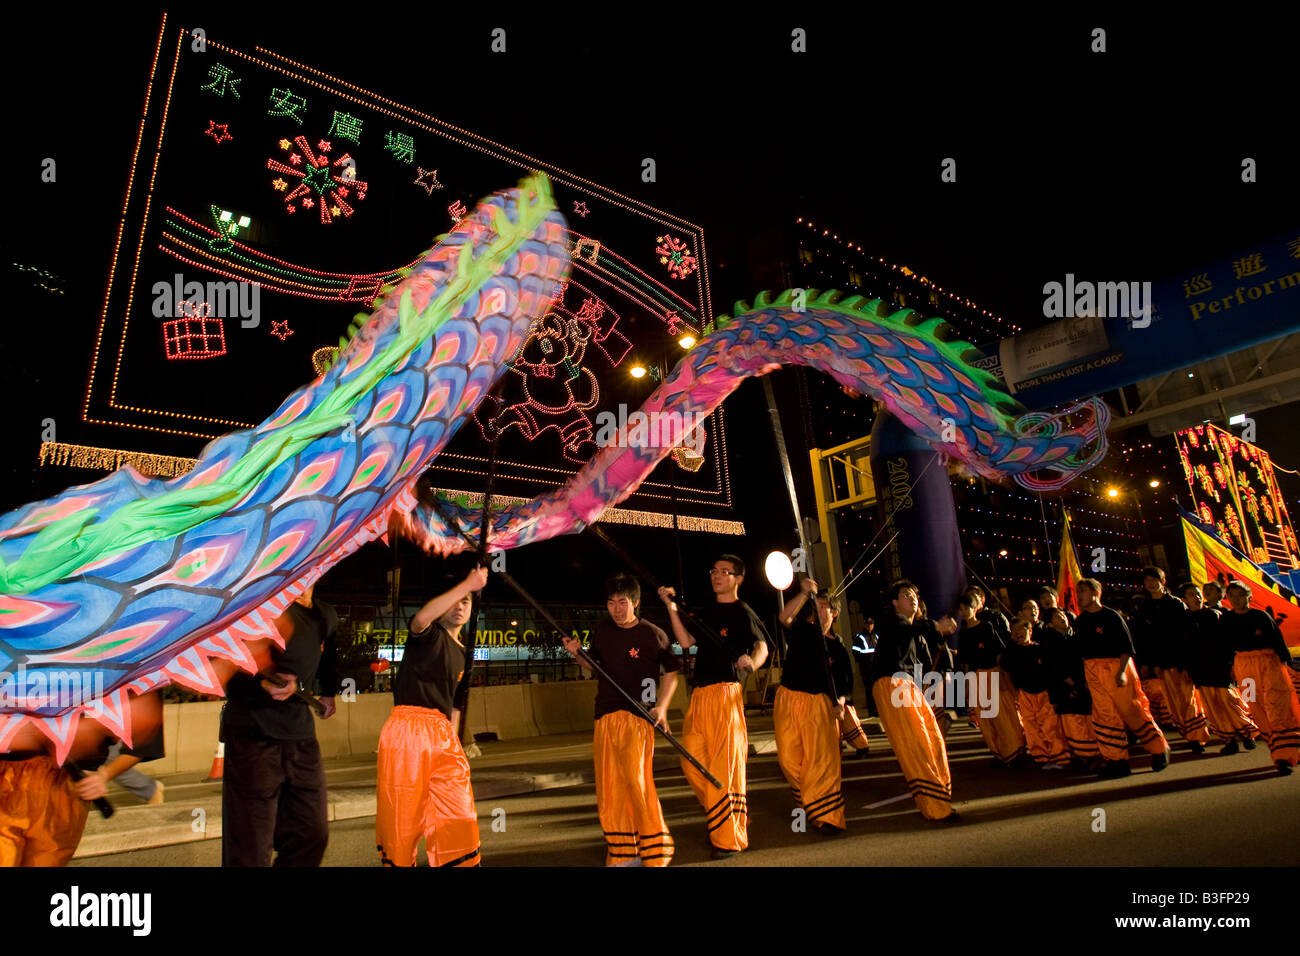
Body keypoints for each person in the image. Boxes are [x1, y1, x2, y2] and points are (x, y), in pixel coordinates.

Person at [657, 554, 771, 858]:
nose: (716, 576)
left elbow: (762, 646)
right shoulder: (707, 611)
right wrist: (671, 609)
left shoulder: (743, 612)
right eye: (713, 571)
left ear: (738, 578)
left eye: (724, 572)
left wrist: (752, 662)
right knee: (692, 762)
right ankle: (727, 817)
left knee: (725, 768)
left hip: (726, 695)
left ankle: (728, 838)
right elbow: (684, 641)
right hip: (700, 696)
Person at [562, 573, 680, 866]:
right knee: (610, 787)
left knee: (637, 783)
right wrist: (577, 653)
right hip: (604, 716)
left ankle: (655, 851)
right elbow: (593, 666)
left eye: (623, 602)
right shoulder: (602, 630)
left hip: (638, 717)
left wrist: (662, 708)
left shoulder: (653, 634)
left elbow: (672, 673)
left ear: (636, 603)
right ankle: (624, 854)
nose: (616, 608)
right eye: (611, 602)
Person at [376, 565, 487, 866]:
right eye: (454, 600)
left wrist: (457, 742)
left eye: (466, 601)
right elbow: (422, 618)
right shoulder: (428, 634)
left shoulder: (464, 652)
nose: (460, 606)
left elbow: (454, 705)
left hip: (443, 736)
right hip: (408, 729)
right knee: (404, 818)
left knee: (459, 811)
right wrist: (467, 584)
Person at [221, 582, 339, 867]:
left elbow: (329, 657)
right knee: (251, 845)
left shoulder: (326, 615)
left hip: (300, 735)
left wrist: (329, 692)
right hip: (253, 735)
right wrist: (261, 681)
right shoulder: (261, 606)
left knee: (312, 832)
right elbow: (223, 664)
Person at [0, 692, 164, 867]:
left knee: (47, 858)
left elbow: (143, 742)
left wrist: (104, 775)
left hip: (66, 788)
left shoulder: (130, 673)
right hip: (8, 779)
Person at [868, 580, 959, 822]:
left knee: (931, 740)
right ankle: (936, 807)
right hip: (892, 684)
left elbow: (921, 662)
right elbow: (905, 631)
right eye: (906, 595)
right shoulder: (893, 622)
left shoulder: (913, 631)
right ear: (895, 602)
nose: (913, 598)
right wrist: (936, 626)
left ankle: (939, 798)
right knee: (917, 745)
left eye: (915, 595)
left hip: (907, 686)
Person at [774, 578, 854, 834]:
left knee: (822, 762)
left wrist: (840, 702)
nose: (818, 611)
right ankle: (810, 800)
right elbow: (784, 617)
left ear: (834, 613)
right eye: (816, 605)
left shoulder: (837, 647)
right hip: (788, 699)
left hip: (820, 705)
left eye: (824, 607)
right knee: (789, 760)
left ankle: (828, 817)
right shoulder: (802, 630)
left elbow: (845, 683)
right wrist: (802, 593)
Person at [1074, 578, 1170, 778]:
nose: (1079, 596)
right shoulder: (1081, 621)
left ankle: (1159, 749)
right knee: (1104, 715)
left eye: (1082, 591)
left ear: (1095, 593)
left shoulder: (1111, 616)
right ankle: (1117, 760)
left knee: (1132, 710)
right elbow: (1082, 651)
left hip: (1117, 667)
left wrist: (1121, 672)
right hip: (1093, 670)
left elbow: (1127, 648)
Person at [1220, 581, 1299, 775]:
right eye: (1232, 595)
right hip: (1243, 667)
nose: (1237, 599)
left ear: (1249, 597)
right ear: (1227, 599)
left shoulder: (1260, 616)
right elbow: (1224, 647)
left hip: (1268, 663)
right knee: (1256, 706)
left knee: (1277, 707)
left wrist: (1287, 664)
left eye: (1240, 595)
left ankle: (1284, 756)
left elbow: (1277, 640)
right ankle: (1278, 748)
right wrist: (1228, 669)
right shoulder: (1226, 620)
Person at [1131, 567, 1208, 754]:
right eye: (1147, 580)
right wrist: (1149, 663)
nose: (1150, 583)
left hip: (1180, 659)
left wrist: (1188, 661)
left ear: (1163, 581)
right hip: (1160, 662)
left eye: (1154, 579)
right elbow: (1144, 639)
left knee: (1188, 698)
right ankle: (1187, 732)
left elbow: (1185, 635)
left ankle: (1197, 737)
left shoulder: (1176, 605)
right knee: (1173, 702)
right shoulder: (1145, 608)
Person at [1180, 583, 1258, 755]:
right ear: (1184, 600)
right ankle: (1228, 739)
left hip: (1219, 666)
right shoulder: (1183, 620)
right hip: (1200, 669)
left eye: (1198, 594)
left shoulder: (1215, 615)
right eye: (1192, 595)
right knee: (1213, 707)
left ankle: (1247, 733)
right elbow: (1184, 647)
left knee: (1231, 702)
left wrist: (1231, 664)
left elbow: (1228, 642)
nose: (1197, 597)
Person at [956, 592, 1026, 767]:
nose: (964, 612)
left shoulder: (986, 626)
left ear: (975, 608)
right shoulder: (963, 634)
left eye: (967, 608)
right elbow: (964, 662)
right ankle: (1000, 751)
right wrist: (966, 685)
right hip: (976, 678)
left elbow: (998, 652)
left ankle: (1014, 750)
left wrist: (1003, 677)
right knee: (987, 719)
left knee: (1004, 714)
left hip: (992, 674)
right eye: (961, 609)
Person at [1001, 619, 1070, 769]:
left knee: (1050, 726)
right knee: (1031, 728)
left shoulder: (1041, 649)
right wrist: (1014, 691)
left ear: (1030, 631)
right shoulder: (1011, 652)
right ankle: (1042, 757)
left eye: (1021, 629)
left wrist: (1054, 694)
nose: (1018, 633)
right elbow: (1005, 671)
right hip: (1024, 694)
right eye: (1014, 630)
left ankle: (1059, 757)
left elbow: (1052, 672)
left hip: (1044, 693)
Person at [1042, 608, 1101, 768]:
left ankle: (1095, 753)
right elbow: (1052, 666)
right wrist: (1068, 680)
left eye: (1061, 614)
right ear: (1050, 624)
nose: (1061, 617)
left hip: (1084, 682)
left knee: (1089, 718)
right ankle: (1086, 756)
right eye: (1055, 617)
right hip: (1064, 687)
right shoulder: (1049, 641)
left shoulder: (1075, 635)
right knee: (1074, 722)